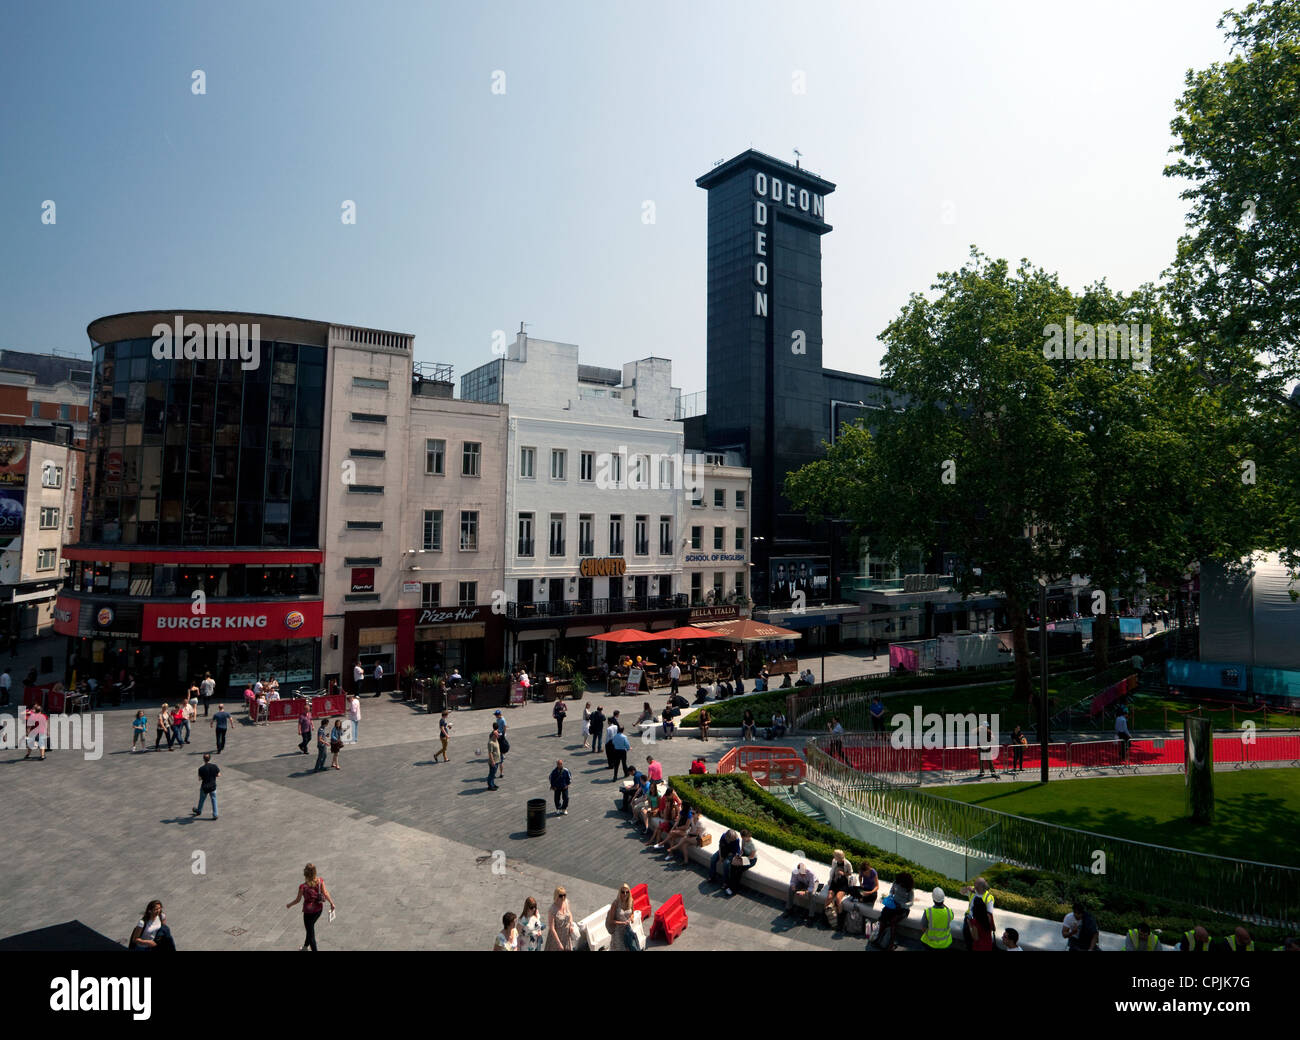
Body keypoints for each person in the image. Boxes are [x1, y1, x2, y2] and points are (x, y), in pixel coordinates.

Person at [286, 863, 335, 952]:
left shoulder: (303, 887)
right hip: (318, 910)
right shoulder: (320, 881)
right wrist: (332, 903)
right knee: (310, 928)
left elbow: (298, 900)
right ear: (315, 872)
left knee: (311, 933)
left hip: (308, 913)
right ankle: (305, 947)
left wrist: (289, 904)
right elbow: (325, 893)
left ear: (305, 874)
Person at [871, 871, 915, 950]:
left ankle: (891, 943)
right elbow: (891, 891)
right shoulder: (896, 883)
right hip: (893, 905)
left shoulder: (910, 890)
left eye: (902, 883)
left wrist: (902, 905)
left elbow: (911, 902)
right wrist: (890, 896)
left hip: (903, 909)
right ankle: (878, 937)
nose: (900, 884)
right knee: (883, 918)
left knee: (893, 921)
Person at [820, 850, 853, 925]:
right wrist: (830, 880)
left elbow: (850, 873)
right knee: (829, 897)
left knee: (838, 899)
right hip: (835, 882)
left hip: (843, 883)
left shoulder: (847, 864)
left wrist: (843, 873)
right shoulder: (834, 861)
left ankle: (840, 919)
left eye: (835, 856)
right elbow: (832, 870)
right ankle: (824, 916)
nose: (834, 857)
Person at [726, 830, 758, 896]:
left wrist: (741, 859)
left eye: (744, 837)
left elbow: (752, 856)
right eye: (742, 837)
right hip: (745, 856)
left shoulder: (753, 845)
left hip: (751, 859)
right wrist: (739, 855)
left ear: (748, 836)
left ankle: (734, 889)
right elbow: (742, 850)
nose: (742, 839)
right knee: (733, 865)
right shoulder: (743, 840)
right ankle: (730, 884)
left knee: (739, 870)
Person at [605, 884, 637, 952]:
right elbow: (611, 920)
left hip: (627, 930)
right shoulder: (615, 903)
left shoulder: (631, 901)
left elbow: (632, 913)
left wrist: (631, 918)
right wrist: (622, 923)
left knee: (628, 948)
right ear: (620, 892)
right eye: (623, 892)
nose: (625, 894)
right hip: (617, 931)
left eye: (627, 892)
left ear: (629, 892)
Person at [545, 886, 577, 951]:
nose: (563, 897)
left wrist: (571, 924)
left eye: (564, 895)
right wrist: (559, 943)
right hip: (556, 938)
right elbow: (552, 928)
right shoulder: (552, 910)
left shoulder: (566, 902)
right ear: (556, 896)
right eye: (560, 896)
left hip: (566, 936)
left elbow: (570, 914)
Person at [191, 753, 220, 819]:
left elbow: (199, 779)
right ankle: (215, 814)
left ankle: (199, 810)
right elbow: (219, 775)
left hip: (204, 787)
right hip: (213, 786)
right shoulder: (214, 766)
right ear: (210, 758)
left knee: (202, 799)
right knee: (214, 799)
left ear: (203, 759)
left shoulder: (201, 769)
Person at [493, 710, 510, 777]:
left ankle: (502, 753)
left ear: (499, 714)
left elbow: (505, 726)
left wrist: (503, 733)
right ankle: (501, 753)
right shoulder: (498, 719)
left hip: (501, 734)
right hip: (498, 733)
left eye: (496, 715)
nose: (495, 716)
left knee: (501, 744)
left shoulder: (502, 719)